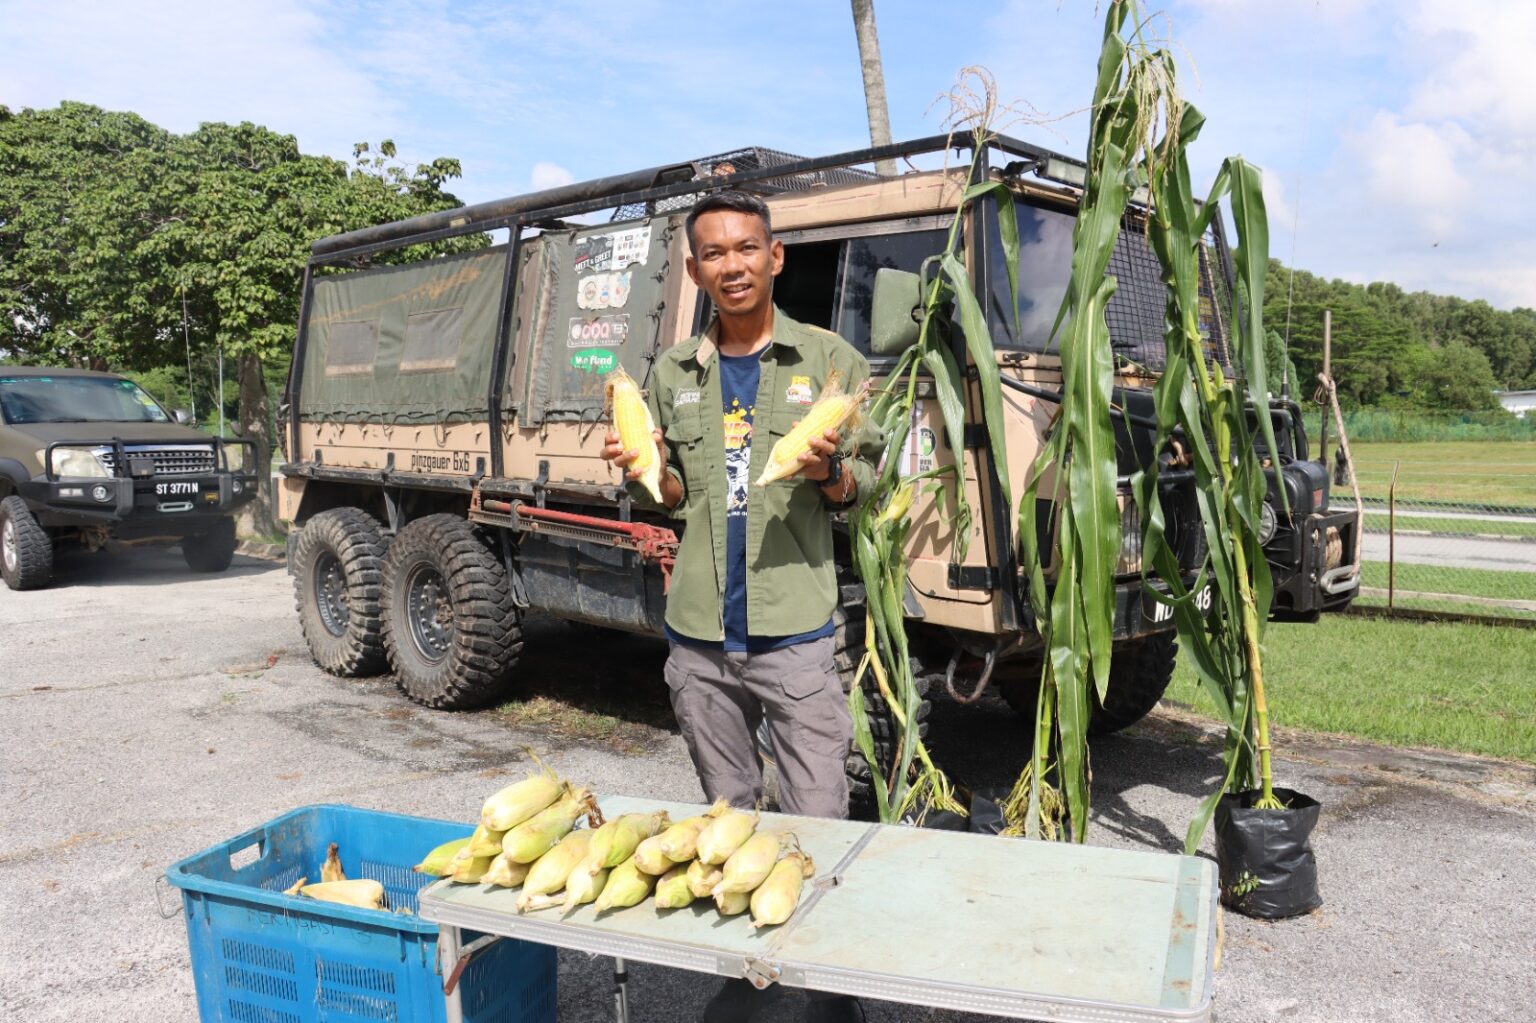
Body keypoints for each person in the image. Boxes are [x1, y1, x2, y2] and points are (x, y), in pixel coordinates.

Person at [601, 190, 878, 1023]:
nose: (732, 265)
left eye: (746, 248)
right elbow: (676, 496)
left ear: (775, 256)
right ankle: (754, 977)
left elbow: (864, 495)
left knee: (817, 823)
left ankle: (825, 991)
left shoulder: (829, 361)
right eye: (714, 253)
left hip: (794, 635)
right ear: (695, 269)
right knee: (727, 829)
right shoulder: (672, 373)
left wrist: (829, 471)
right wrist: (638, 466)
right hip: (697, 641)